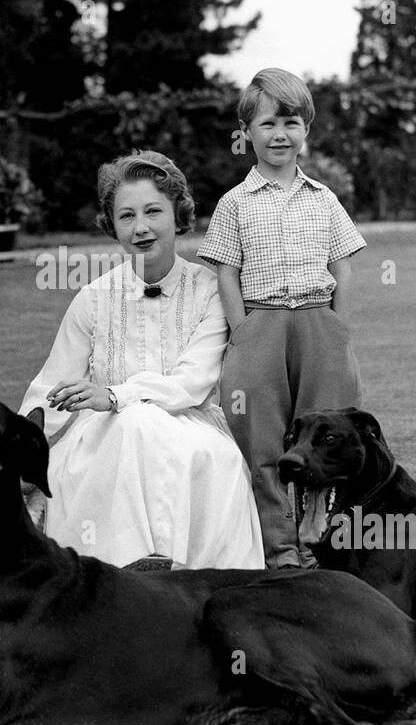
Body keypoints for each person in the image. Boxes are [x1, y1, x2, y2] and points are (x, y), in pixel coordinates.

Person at [20, 150, 263, 570]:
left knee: (143, 423)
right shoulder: (94, 297)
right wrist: (17, 456)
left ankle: (176, 577)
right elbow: (50, 388)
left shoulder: (210, 290)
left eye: (153, 211)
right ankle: (127, 577)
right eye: (126, 216)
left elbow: (194, 381)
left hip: (191, 430)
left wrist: (116, 395)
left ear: (178, 215)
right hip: (104, 437)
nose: (141, 227)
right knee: (130, 427)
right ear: (111, 225)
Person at [198, 67, 366, 570]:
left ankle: (326, 545)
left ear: (306, 131)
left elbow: (342, 267)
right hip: (261, 326)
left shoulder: (324, 199)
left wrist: (337, 327)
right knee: (262, 441)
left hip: (319, 325)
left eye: (291, 123)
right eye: (268, 124)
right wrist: (242, 329)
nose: (280, 134)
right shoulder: (234, 203)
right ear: (247, 132)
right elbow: (227, 273)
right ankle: (281, 551)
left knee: (327, 441)